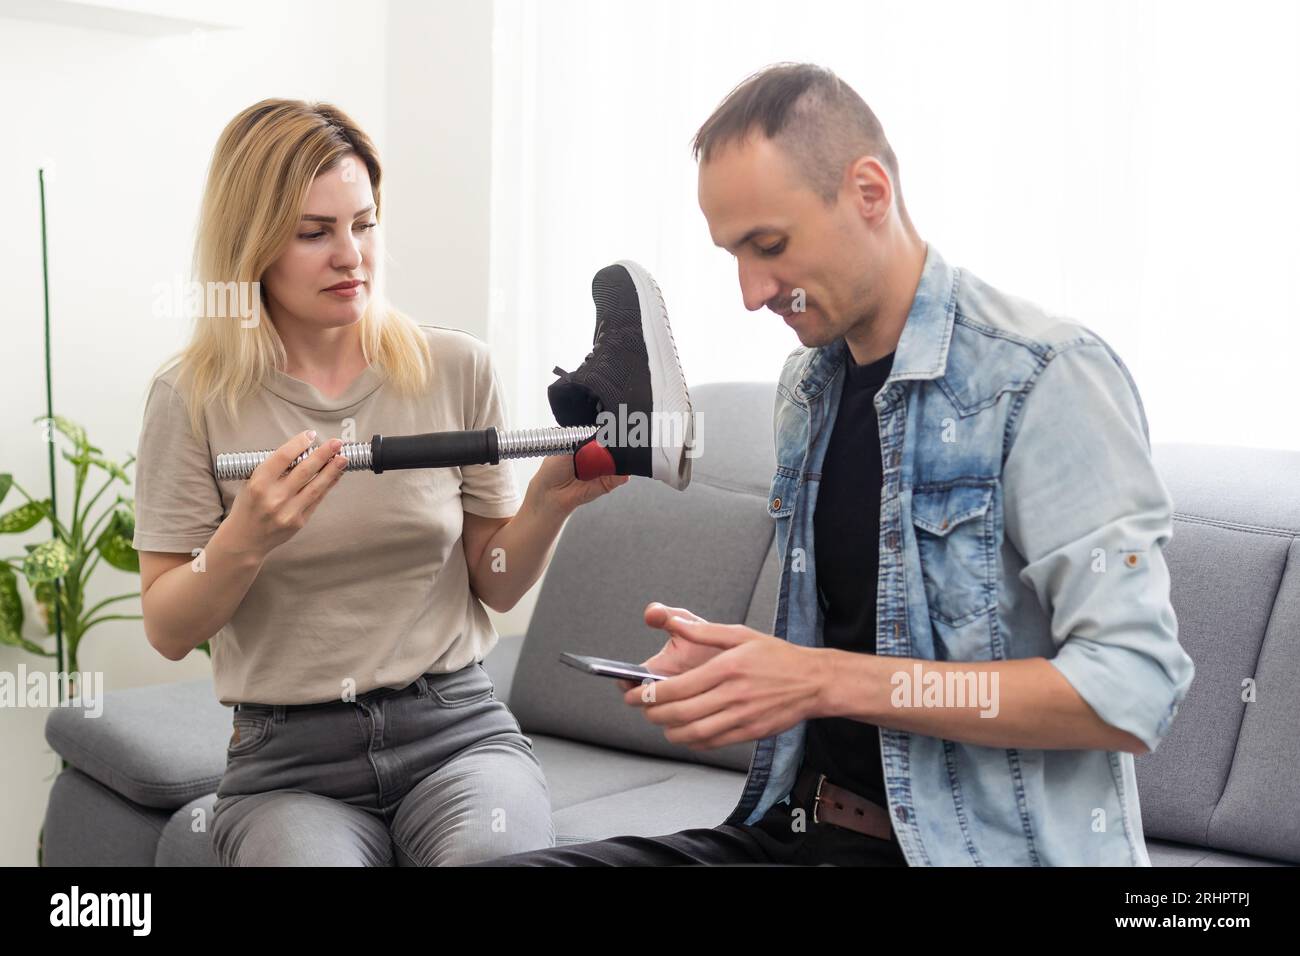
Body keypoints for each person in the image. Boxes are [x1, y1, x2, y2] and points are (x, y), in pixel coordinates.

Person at [484, 62, 1195, 866]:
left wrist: (822, 678)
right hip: (796, 829)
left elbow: (1132, 692)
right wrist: (750, 670)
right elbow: (860, 636)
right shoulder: (810, 388)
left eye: (770, 245)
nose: (751, 291)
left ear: (869, 191)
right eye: (733, 256)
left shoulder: (1043, 378)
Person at [132, 99, 627, 866]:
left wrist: (547, 502)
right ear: (250, 243)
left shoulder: (455, 367)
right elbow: (168, 629)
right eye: (313, 232)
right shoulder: (191, 400)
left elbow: (493, 583)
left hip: (456, 732)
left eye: (363, 224)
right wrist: (245, 541)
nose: (350, 255)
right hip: (288, 766)